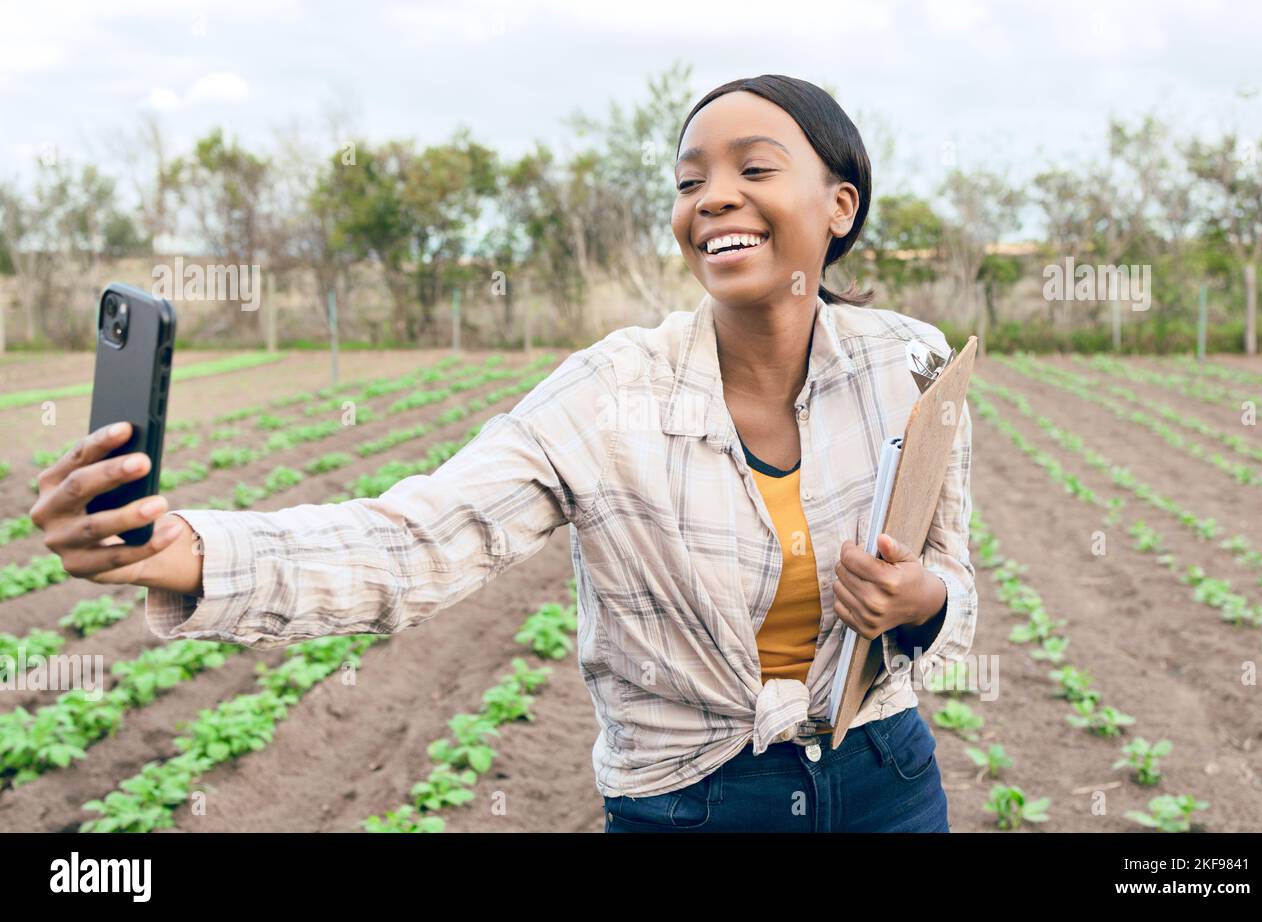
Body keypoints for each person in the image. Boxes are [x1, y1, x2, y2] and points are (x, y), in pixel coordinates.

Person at [31, 74, 976, 833]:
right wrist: (187, 550)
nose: (712, 197)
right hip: (694, 801)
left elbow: (951, 577)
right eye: (690, 182)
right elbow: (418, 540)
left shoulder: (910, 364)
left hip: (885, 779)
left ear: (839, 205)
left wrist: (924, 602)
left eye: (754, 169)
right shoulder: (609, 395)